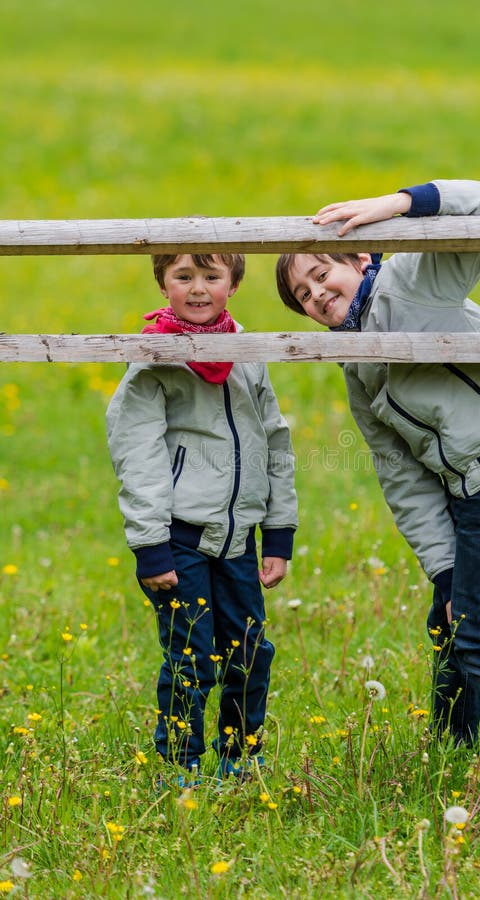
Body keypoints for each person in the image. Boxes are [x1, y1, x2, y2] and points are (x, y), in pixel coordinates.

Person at [276, 180, 480, 768]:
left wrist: (396, 205)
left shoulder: (413, 279)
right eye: (303, 294)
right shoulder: (356, 364)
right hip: (466, 482)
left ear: (359, 257)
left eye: (323, 275)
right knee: (449, 613)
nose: (318, 294)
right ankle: (452, 753)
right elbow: (399, 474)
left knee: (476, 627)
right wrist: (445, 567)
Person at [107, 252, 298, 784]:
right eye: (183, 277)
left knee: (251, 652)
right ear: (163, 283)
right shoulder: (153, 360)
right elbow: (137, 452)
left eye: (211, 277)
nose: (197, 289)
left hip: (239, 540)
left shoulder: (247, 351)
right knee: (192, 657)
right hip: (180, 538)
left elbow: (274, 439)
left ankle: (240, 756)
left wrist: (278, 532)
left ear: (232, 283)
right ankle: (180, 764)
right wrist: (150, 545)